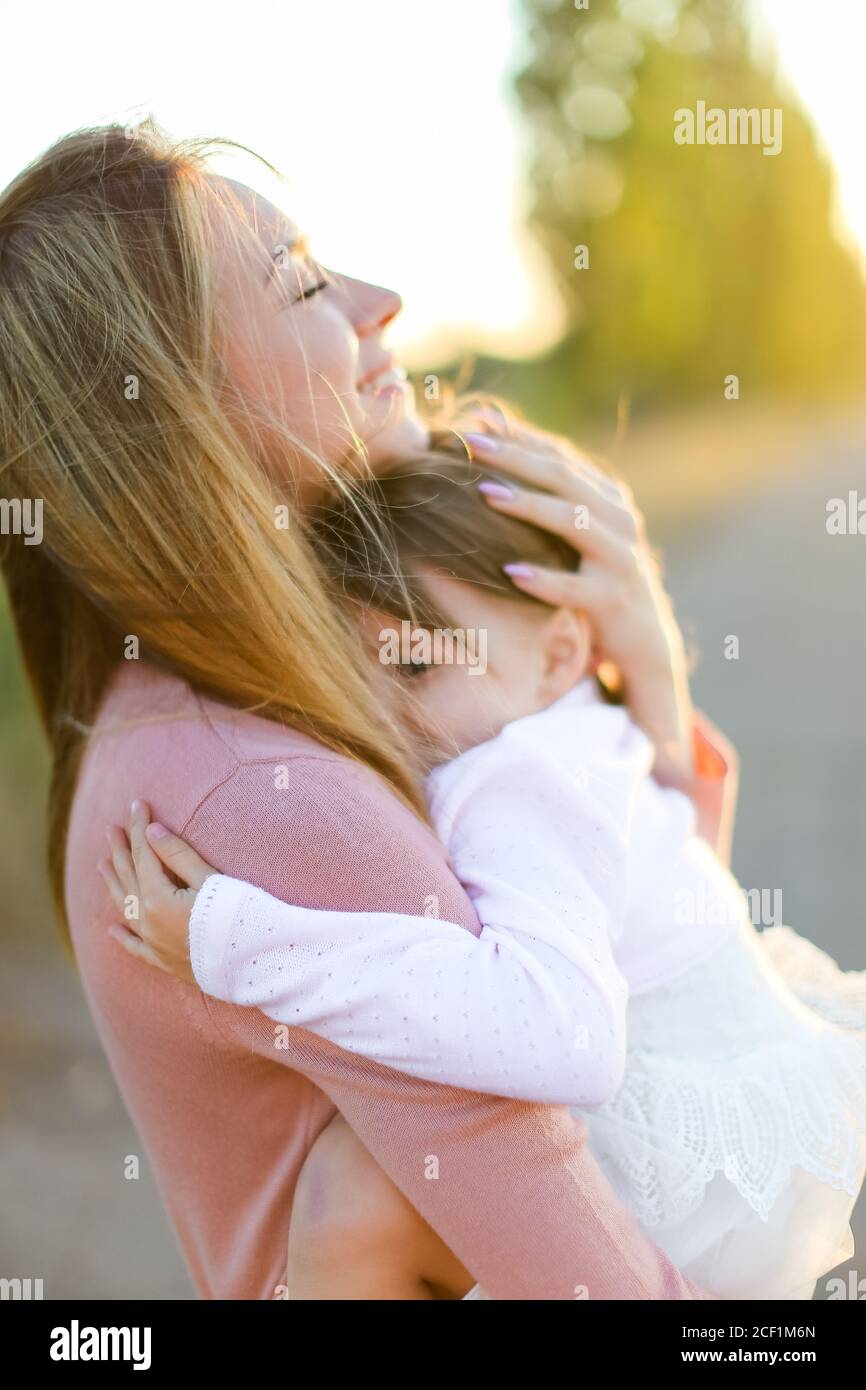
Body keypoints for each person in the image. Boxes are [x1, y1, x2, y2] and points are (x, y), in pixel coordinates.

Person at [0, 119, 732, 1299]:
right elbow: (601, 1277)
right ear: (173, 409)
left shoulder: (181, 720)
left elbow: (651, 980)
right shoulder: (263, 800)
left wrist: (643, 669)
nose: (381, 301)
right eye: (302, 281)